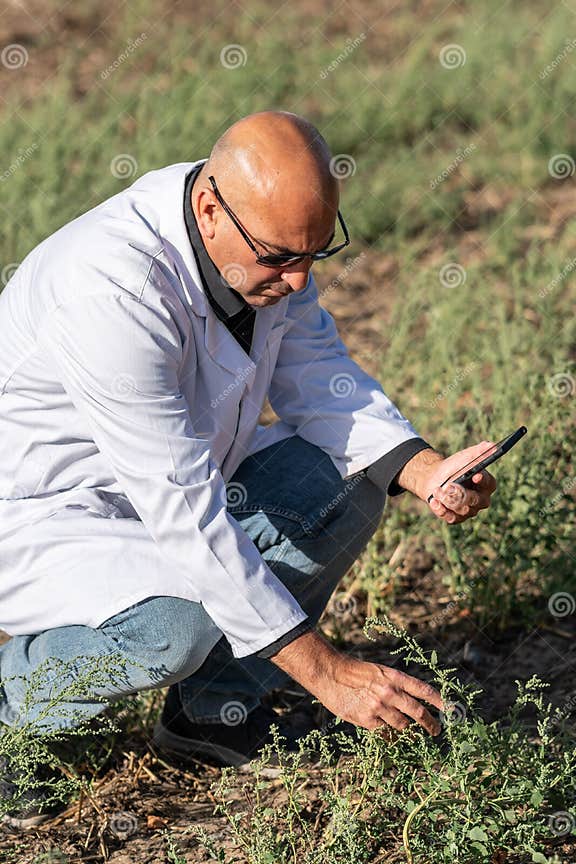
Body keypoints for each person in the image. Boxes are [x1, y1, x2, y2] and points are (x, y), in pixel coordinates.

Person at [0, 110, 496, 828]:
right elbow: (185, 513)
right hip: (43, 515)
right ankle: (18, 710)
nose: (298, 280)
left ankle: (209, 713)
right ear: (209, 209)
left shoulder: (266, 237)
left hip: (165, 488)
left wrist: (424, 471)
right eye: (279, 258)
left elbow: (318, 374)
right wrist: (327, 675)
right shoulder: (111, 288)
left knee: (353, 481)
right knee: (180, 620)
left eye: (315, 254)